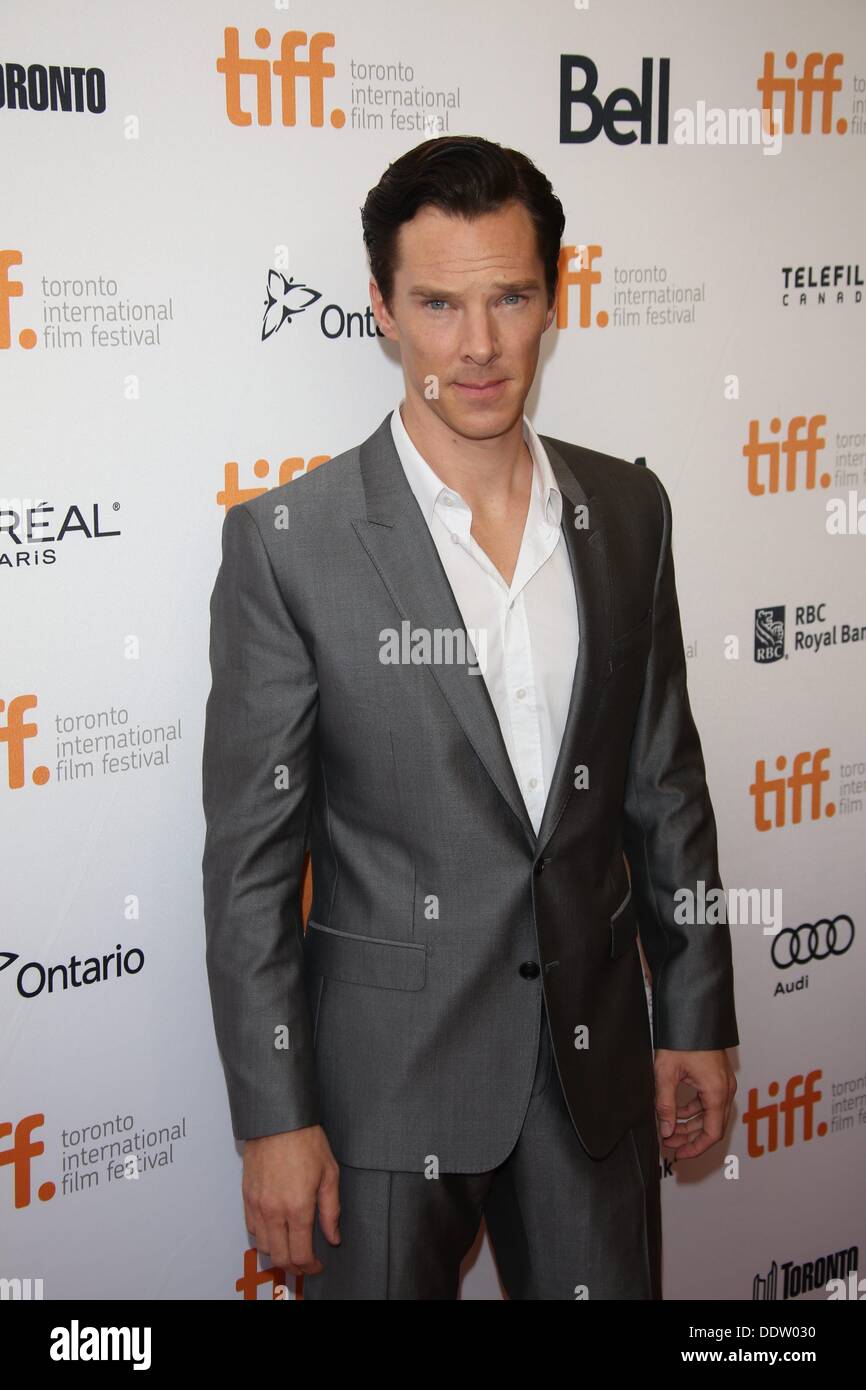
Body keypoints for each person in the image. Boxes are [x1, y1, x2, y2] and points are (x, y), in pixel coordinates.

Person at [201, 134, 739, 1301]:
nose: (479, 346)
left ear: (553, 297)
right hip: (380, 1095)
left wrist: (693, 1009)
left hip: (593, 1071)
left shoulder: (626, 508)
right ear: (382, 309)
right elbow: (251, 867)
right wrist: (274, 1116)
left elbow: (662, 785)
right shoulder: (289, 545)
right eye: (438, 304)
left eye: (509, 298)